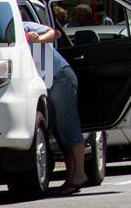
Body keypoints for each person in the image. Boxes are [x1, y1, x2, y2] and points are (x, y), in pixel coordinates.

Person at [21, 19, 86, 195]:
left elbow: (54, 32)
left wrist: (39, 39)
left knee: (68, 124)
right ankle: (72, 176)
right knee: (59, 130)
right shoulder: (5, 36)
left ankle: (79, 174)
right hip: (46, 83)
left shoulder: (25, 26)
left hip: (60, 76)